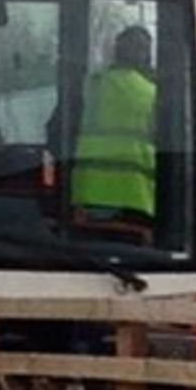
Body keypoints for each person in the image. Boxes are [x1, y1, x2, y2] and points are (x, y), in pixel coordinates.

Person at [70, 26, 158, 242]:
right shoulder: (152, 94)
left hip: (85, 197)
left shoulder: (91, 86)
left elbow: (58, 128)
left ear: (116, 52)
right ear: (147, 56)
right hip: (138, 201)